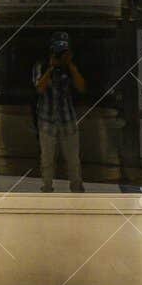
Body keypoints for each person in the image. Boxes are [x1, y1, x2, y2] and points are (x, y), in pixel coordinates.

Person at [33, 31, 86, 192]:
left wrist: (70, 65)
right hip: (47, 119)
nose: (60, 54)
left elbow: (82, 87)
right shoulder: (41, 65)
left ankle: (76, 186)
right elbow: (39, 89)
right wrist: (50, 68)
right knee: (47, 159)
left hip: (67, 119)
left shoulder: (71, 67)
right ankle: (47, 187)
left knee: (73, 159)